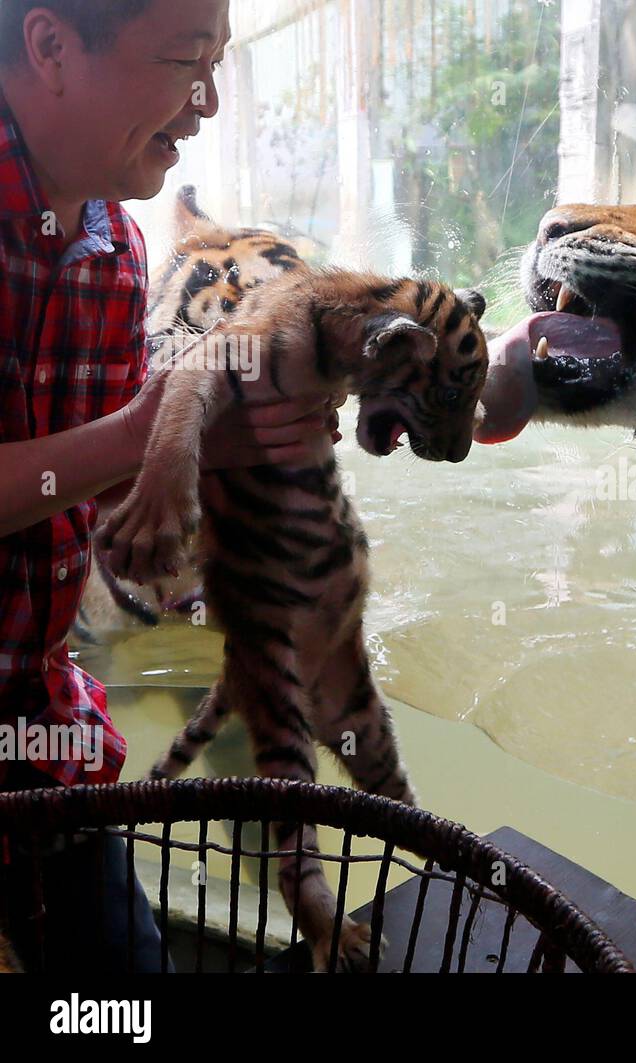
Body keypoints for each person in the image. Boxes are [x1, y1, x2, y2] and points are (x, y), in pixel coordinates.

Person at [0, 0, 338, 972]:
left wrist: (211, 458)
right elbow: (105, 449)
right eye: (187, 60)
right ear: (52, 46)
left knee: (121, 1000)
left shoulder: (114, 246)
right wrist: (139, 436)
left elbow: (87, 493)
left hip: (39, 733)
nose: (209, 102)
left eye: (219, 61)